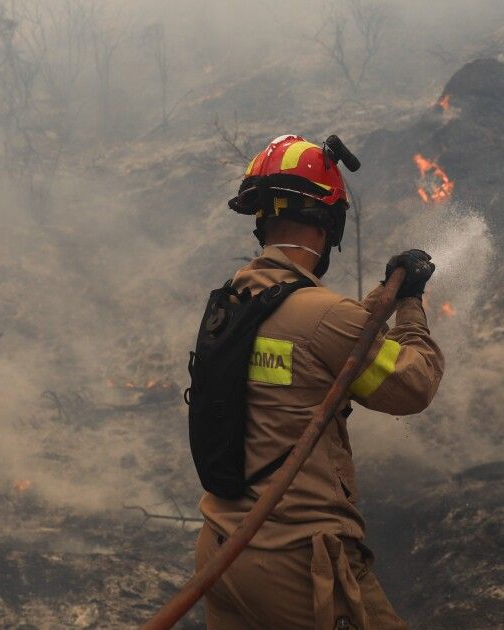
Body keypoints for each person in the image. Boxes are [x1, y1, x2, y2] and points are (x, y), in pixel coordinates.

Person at [194, 134, 445, 629]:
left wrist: (385, 298)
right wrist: (410, 307)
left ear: (261, 220)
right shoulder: (322, 317)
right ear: (328, 221)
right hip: (299, 562)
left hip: (223, 554)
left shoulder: (234, 302)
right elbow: (414, 386)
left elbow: (324, 340)